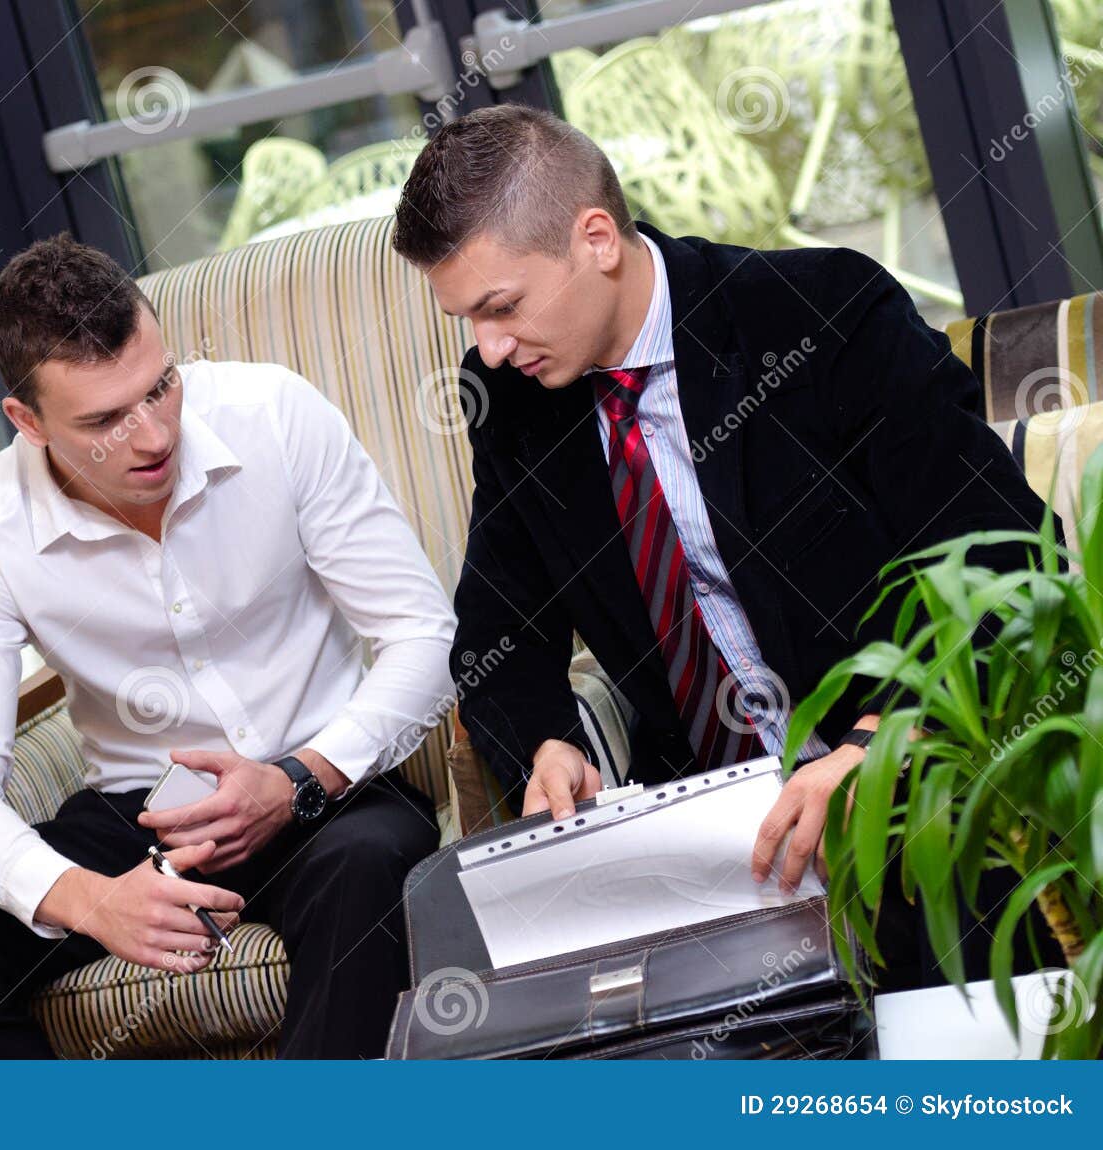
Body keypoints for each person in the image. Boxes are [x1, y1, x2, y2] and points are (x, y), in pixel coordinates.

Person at [391, 106, 1052, 984]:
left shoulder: (819, 314)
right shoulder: (512, 397)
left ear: (596, 239)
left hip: (915, 783)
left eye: (501, 307)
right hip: (715, 845)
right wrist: (549, 744)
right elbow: (495, 628)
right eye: (468, 320)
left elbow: (1003, 552)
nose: (490, 347)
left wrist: (875, 743)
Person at [0, 234, 456, 1058]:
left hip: (328, 790)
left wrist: (297, 782)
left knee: (366, 871)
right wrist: (89, 899)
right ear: (27, 421)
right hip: (139, 816)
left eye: (160, 387)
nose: (151, 437)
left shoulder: (274, 416)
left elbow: (421, 636)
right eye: (105, 420)